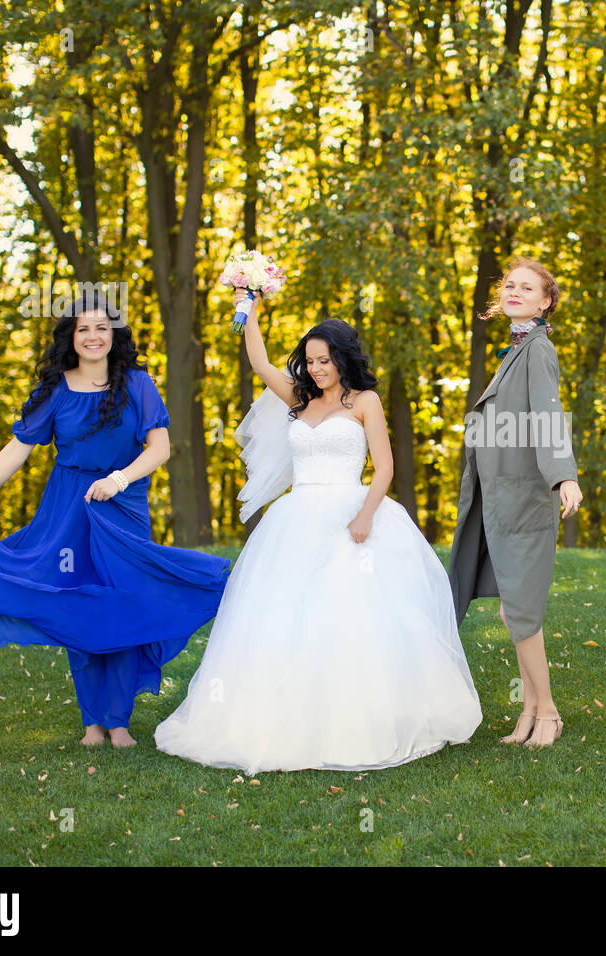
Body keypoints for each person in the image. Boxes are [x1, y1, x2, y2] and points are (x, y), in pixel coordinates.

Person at [0, 290, 231, 747]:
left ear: (114, 334)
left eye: (102, 327)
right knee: (75, 600)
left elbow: (159, 448)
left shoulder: (138, 383)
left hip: (121, 504)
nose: (94, 336)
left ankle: (118, 722)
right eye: (84, 328)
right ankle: (91, 724)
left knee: (119, 600)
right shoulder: (56, 389)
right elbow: (16, 450)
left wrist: (118, 481)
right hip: (68, 506)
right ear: (72, 336)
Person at [154, 291, 481, 773]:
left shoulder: (364, 401)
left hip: (352, 510)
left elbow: (385, 466)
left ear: (342, 358)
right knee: (282, 615)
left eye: (324, 360)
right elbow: (260, 361)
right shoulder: (299, 398)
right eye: (309, 361)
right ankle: (275, 717)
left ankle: (361, 717)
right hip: (296, 518)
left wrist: (367, 514)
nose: (316, 369)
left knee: (352, 614)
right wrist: (252, 303)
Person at [447, 257, 583, 748]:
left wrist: (564, 476)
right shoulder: (517, 350)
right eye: (510, 285)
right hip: (501, 495)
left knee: (520, 610)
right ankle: (527, 710)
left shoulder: (539, 350)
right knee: (513, 611)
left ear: (546, 301)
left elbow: (548, 413)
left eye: (528, 288)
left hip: (525, 499)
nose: (515, 292)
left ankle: (548, 712)